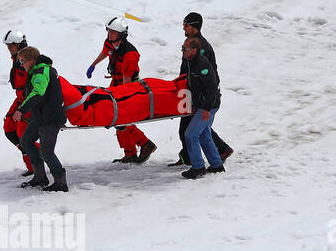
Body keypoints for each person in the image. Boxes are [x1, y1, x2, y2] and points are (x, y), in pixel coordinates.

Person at [84, 17, 156, 164]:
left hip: (128, 85)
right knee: (114, 117)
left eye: (114, 32)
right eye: (109, 30)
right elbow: (105, 52)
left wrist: (123, 97)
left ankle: (145, 144)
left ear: (122, 34)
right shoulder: (110, 43)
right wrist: (93, 65)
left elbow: (127, 79)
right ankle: (129, 153)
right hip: (116, 82)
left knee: (121, 117)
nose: (110, 34)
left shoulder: (130, 54)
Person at [168, 11, 234, 167]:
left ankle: (196, 158)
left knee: (190, 129)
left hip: (202, 94)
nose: (183, 27)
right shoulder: (190, 42)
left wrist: (205, 101)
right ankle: (216, 152)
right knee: (197, 128)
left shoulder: (200, 46)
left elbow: (206, 78)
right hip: (193, 92)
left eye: (186, 25)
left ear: (194, 27)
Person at [13, 47, 67, 192]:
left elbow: (38, 93)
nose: (21, 64)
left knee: (46, 151)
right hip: (40, 117)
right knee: (25, 141)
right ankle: (40, 177)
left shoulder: (42, 72)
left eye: (22, 61)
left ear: (31, 61)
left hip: (51, 119)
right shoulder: (36, 71)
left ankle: (60, 182)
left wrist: (21, 110)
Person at [180, 36, 224, 179]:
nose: (182, 51)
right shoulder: (190, 62)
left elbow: (212, 88)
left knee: (191, 134)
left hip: (209, 105)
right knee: (204, 134)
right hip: (202, 105)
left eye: (185, 49)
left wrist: (206, 109)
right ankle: (217, 165)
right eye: (182, 48)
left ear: (194, 50)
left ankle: (198, 167)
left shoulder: (201, 64)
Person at [1, 29, 37, 177]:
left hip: (28, 103)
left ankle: (36, 165)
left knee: (24, 136)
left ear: (20, 44)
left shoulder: (30, 60)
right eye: (8, 46)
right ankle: (33, 155)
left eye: (11, 46)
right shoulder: (16, 60)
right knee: (9, 129)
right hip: (20, 100)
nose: (9, 49)